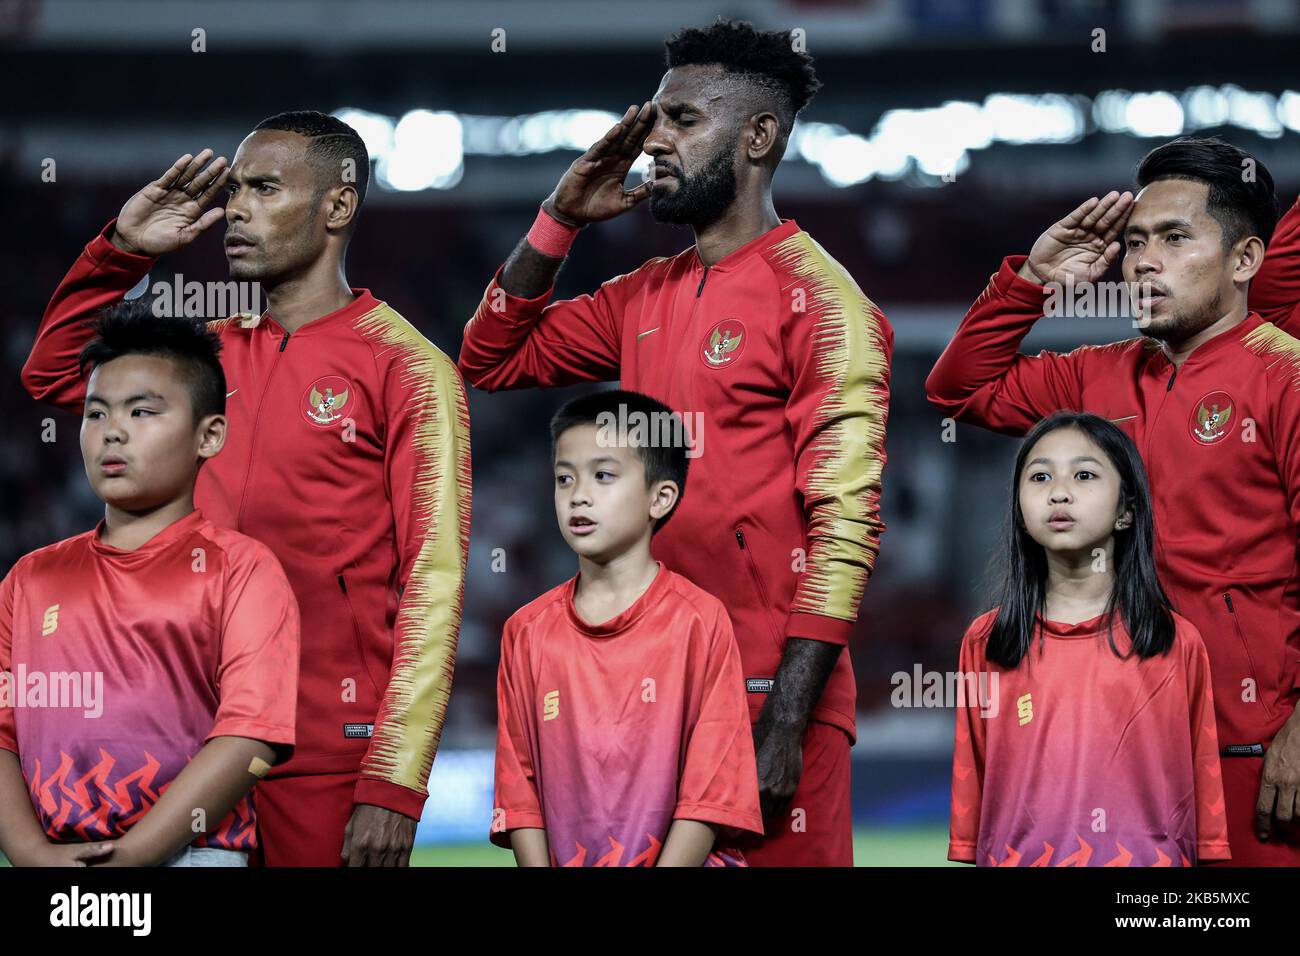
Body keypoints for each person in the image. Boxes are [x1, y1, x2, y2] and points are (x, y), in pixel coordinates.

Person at [460, 18, 891, 866]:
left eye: (685, 120)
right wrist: (558, 221)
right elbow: (489, 358)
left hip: (770, 695)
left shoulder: (824, 302)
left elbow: (846, 529)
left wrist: (785, 721)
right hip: (643, 694)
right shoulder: (639, 296)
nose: (655, 139)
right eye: (656, 118)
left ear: (758, 136)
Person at [21, 111, 471, 867]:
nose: (234, 209)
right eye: (232, 191)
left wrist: (394, 781)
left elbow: (433, 582)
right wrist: (122, 253)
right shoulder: (206, 357)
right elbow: (56, 374)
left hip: (326, 755)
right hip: (182, 751)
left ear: (338, 206)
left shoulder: (410, 369)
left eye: (263, 188)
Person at [927, 136, 1300, 865]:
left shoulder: (1285, 380)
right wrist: (1032, 280)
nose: (1143, 263)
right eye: (1134, 243)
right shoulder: (1096, 374)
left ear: (1246, 260)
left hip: (1250, 750)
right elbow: (958, 390)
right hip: (1114, 751)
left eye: (1173, 238)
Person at [0, 302, 299, 867]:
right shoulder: (28, 579)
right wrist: (28, 854)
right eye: (95, 414)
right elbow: (1, 733)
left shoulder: (243, 569)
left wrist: (132, 857)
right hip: (52, 864)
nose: (112, 431)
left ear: (209, 435)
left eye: (142, 412)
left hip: (194, 856)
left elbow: (252, 737)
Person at [491, 389, 762, 866]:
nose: (578, 494)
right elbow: (519, 794)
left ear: (660, 497)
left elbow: (711, 791)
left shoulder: (700, 620)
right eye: (563, 478)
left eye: (603, 475)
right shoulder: (526, 631)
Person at [948, 412, 1228, 867]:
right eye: (1040, 476)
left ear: (1126, 510)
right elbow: (971, 811)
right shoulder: (986, 642)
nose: (1059, 491)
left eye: (1084, 474)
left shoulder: (1176, 641)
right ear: (1019, 511)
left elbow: (1206, 819)